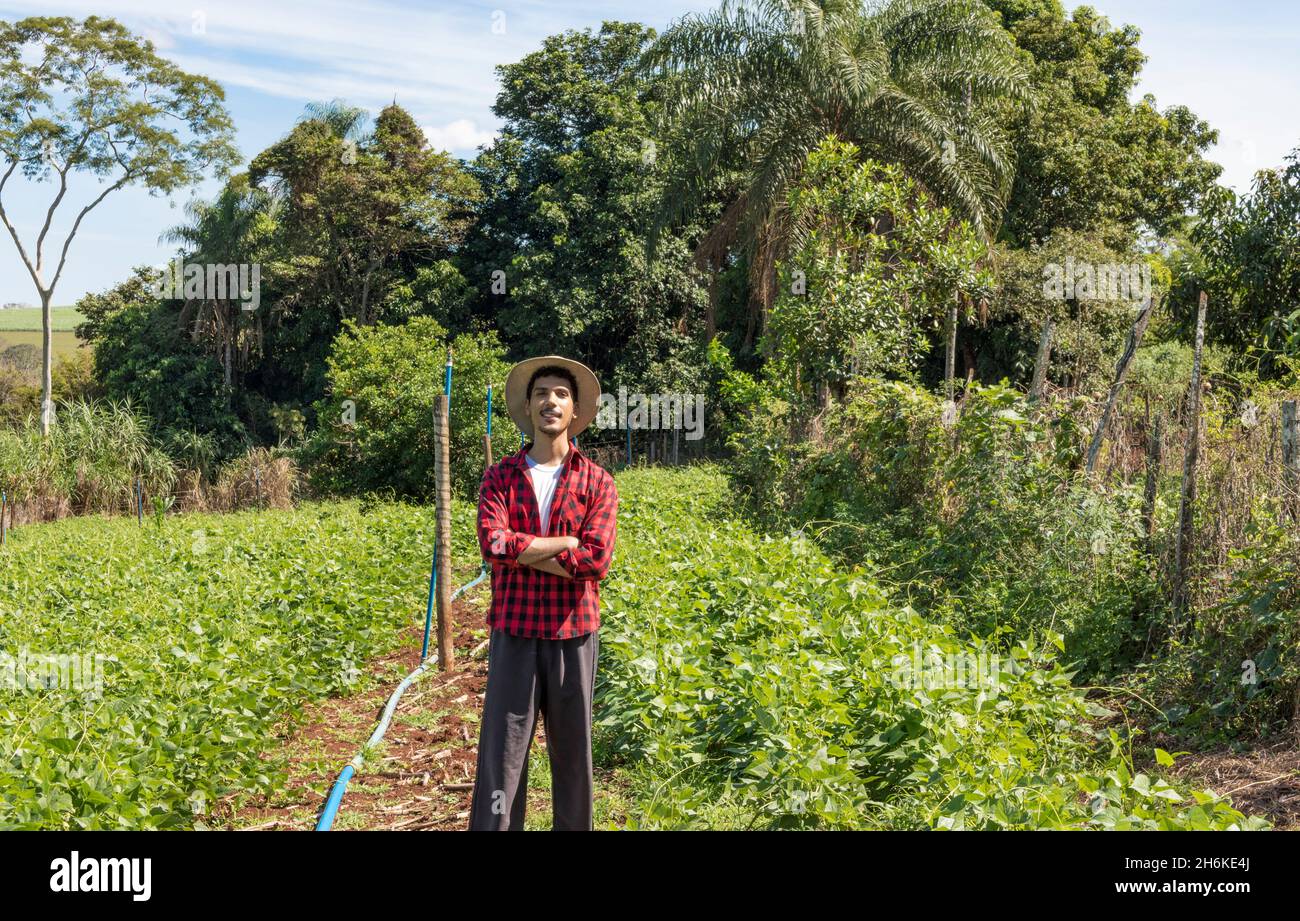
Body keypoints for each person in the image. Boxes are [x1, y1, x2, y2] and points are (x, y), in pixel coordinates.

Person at [468, 355, 618, 830]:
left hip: (573, 634)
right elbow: (493, 544)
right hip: (514, 632)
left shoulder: (597, 480)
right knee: (503, 754)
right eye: (540, 394)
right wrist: (563, 546)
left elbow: (595, 560)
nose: (550, 401)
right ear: (528, 409)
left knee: (573, 754)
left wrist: (524, 551)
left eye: (560, 393)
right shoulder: (500, 477)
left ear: (574, 411)